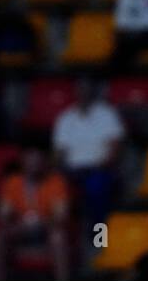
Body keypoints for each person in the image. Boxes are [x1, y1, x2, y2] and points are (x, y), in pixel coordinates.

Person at [0, 147, 71, 281]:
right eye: (30, 160)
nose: (34, 164)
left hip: (45, 231)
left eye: (38, 160)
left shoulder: (56, 182)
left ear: (44, 162)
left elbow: (60, 216)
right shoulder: (12, 182)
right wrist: (19, 226)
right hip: (19, 230)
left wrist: (40, 224)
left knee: (58, 237)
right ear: (23, 162)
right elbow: (3, 215)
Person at [52, 78, 125, 226]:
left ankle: (99, 240)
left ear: (93, 91)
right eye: (80, 90)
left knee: (96, 188)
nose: (83, 93)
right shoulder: (66, 118)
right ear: (75, 92)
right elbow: (59, 152)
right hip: (73, 171)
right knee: (54, 187)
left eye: (86, 89)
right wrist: (56, 169)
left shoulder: (107, 114)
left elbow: (115, 147)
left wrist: (103, 165)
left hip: (100, 169)